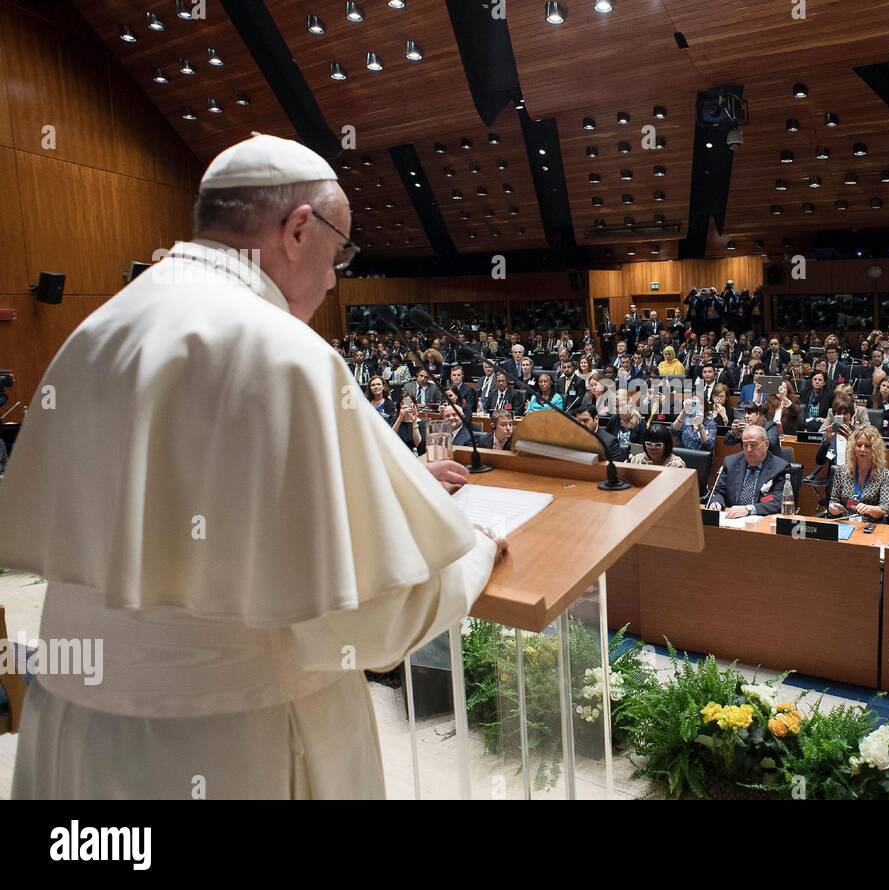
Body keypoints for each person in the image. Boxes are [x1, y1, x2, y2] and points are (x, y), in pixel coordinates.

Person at [0, 134, 508, 799]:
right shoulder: (283, 352)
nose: (333, 279)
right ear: (300, 229)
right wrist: (474, 553)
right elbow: (374, 625)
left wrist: (396, 486)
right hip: (237, 744)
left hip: (74, 736)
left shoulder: (96, 331)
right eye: (339, 254)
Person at [707, 424, 792, 518]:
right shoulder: (730, 462)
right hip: (731, 519)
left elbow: (778, 500)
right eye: (745, 445)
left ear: (766, 444)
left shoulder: (780, 467)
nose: (748, 449)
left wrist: (749, 509)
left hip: (761, 521)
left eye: (753, 445)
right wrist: (716, 502)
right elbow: (718, 491)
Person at [827, 424, 889, 521]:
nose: (862, 449)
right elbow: (834, 500)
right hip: (844, 522)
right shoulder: (841, 471)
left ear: (875, 449)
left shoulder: (886, 476)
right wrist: (833, 508)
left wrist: (870, 509)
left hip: (870, 525)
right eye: (859, 445)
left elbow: (886, 508)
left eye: (867, 446)